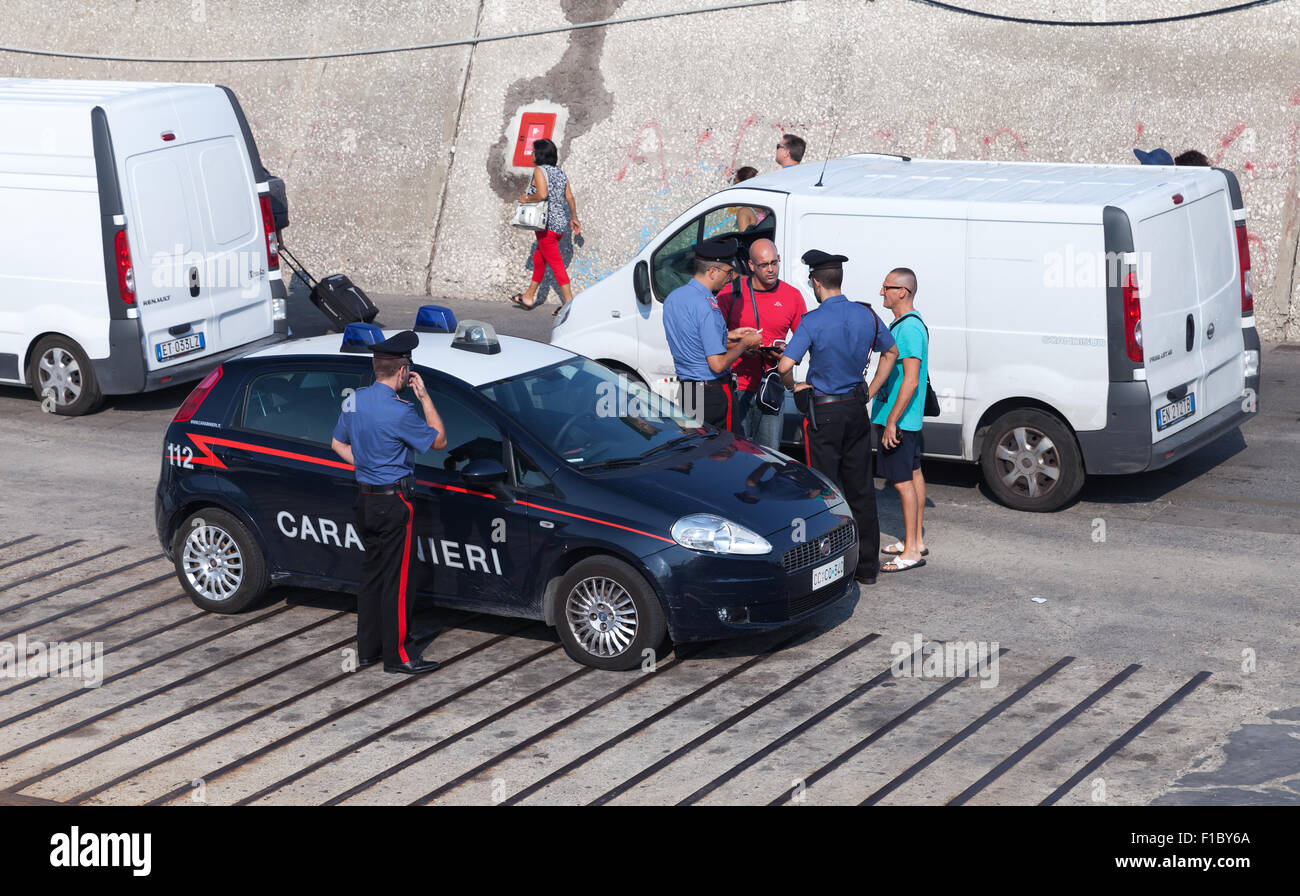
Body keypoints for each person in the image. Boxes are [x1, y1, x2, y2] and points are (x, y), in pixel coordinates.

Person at [777, 250, 898, 585]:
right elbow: (891, 353)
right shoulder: (867, 315)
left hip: (824, 413)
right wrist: (871, 390)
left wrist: (795, 386)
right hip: (856, 408)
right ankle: (867, 567)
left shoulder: (812, 321)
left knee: (824, 493)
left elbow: (785, 366)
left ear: (817, 284)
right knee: (861, 489)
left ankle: (828, 566)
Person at [331, 331, 448, 674]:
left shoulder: (353, 401)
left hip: (364, 499)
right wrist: (424, 397)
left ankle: (367, 650)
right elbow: (439, 440)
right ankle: (400, 656)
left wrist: (367, 465)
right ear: (402, 371)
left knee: (372, 577)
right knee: (398, 582)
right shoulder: (401, 411)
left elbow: (337, 444)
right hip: (395, 501)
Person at [662, 237, 761, 428]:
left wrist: (730, 335)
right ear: (712, 271)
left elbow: (694, 339)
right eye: (728, 272)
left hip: (688, 392)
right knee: (727, 452)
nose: (730, 278)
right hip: (713, 393)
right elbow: (717, 364)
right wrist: (744, 343)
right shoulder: (707, 306)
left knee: (696, 450)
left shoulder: (674, 298)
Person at [716, 238, 804, 448]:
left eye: (775, 262)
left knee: (769, 457)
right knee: (736, 454)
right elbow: (712, 340)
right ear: (751, 265)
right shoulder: (730, 293)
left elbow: (803, 340)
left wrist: (786, 353)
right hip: (738, 387)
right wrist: (742, 346)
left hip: (771, 387)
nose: (771, 269)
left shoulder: (792, 296)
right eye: (764, 265)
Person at [871, 268, 929, 573]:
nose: (882, 292)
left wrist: (892, 420)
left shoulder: (908, 329)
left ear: (902, 292)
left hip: (901, 421)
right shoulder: (905, 325)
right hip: (906, 420)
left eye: (886, 287)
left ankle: (910, 553)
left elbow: (911, 381)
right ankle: (915, 541)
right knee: (914, 473)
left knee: (902, 482)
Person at [508, 138, 582, 316]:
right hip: (559, 225)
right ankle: (528, 296)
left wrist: (526, 198)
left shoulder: (539, 171)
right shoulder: (560, 173)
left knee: (556, 265)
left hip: (546, 225)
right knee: (539, 257)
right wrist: (574, 217)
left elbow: (542, 194)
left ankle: (569, 305)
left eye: (533, 151)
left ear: (539, 154)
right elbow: (570, 197)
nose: (531, 154)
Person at [730, 166, 767, 231]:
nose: (733, 185)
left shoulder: (744, 212)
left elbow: (745, 239)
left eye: (735, 182)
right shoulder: (764, 208)